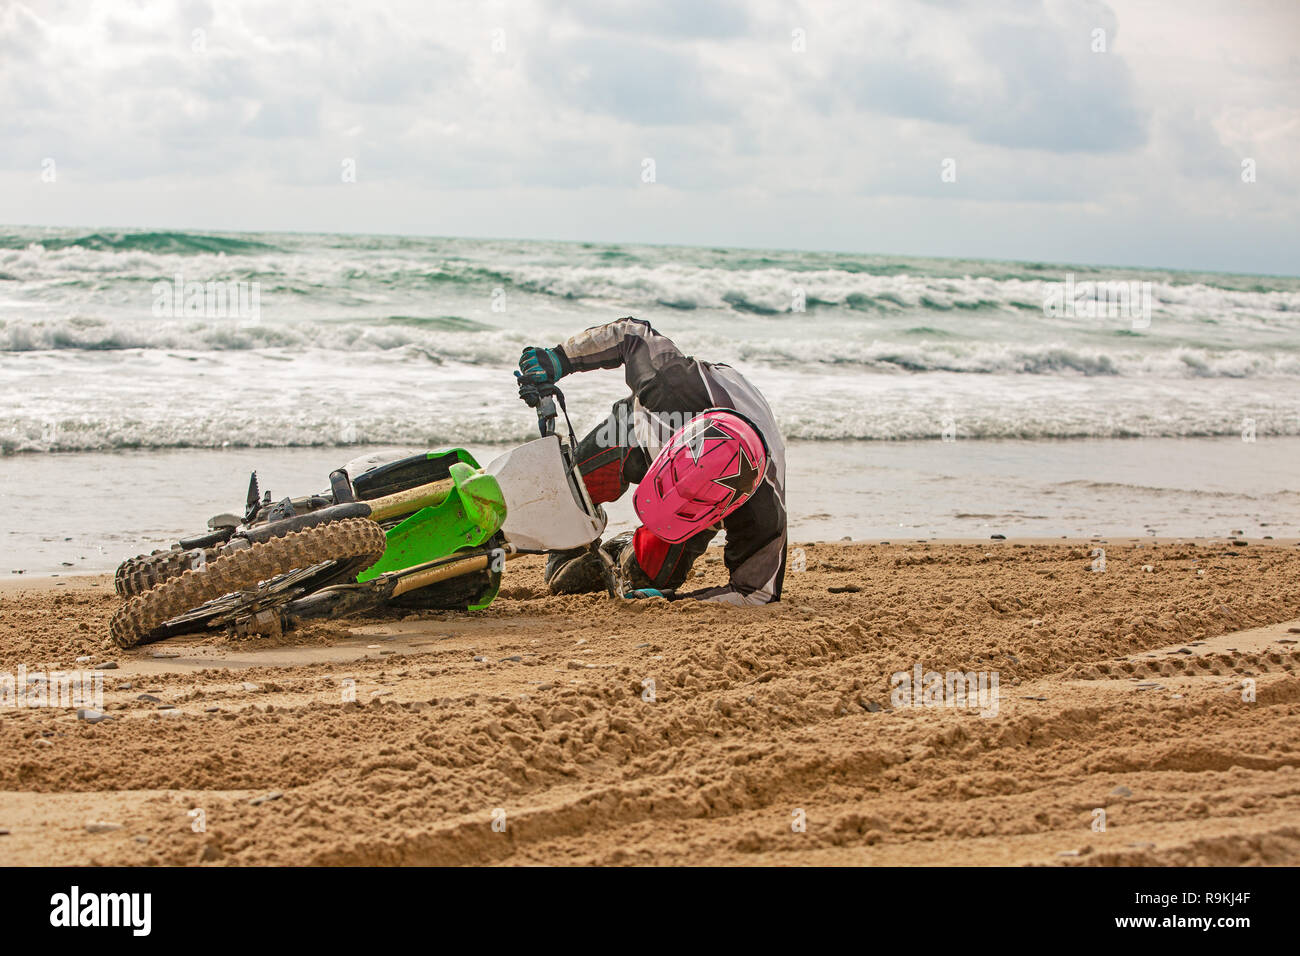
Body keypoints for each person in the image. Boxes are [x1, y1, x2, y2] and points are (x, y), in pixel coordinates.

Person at [517, 317, 787, 605]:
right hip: (637, 428)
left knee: (635, 576)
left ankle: (627, 549)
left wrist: (677, 601)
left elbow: (757, 594)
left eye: (686, 502)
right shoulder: (668, 384)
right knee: (568, 496)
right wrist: (560, 358)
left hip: (695, 514)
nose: (673, 498)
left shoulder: (763, 509)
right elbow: (629, 334)